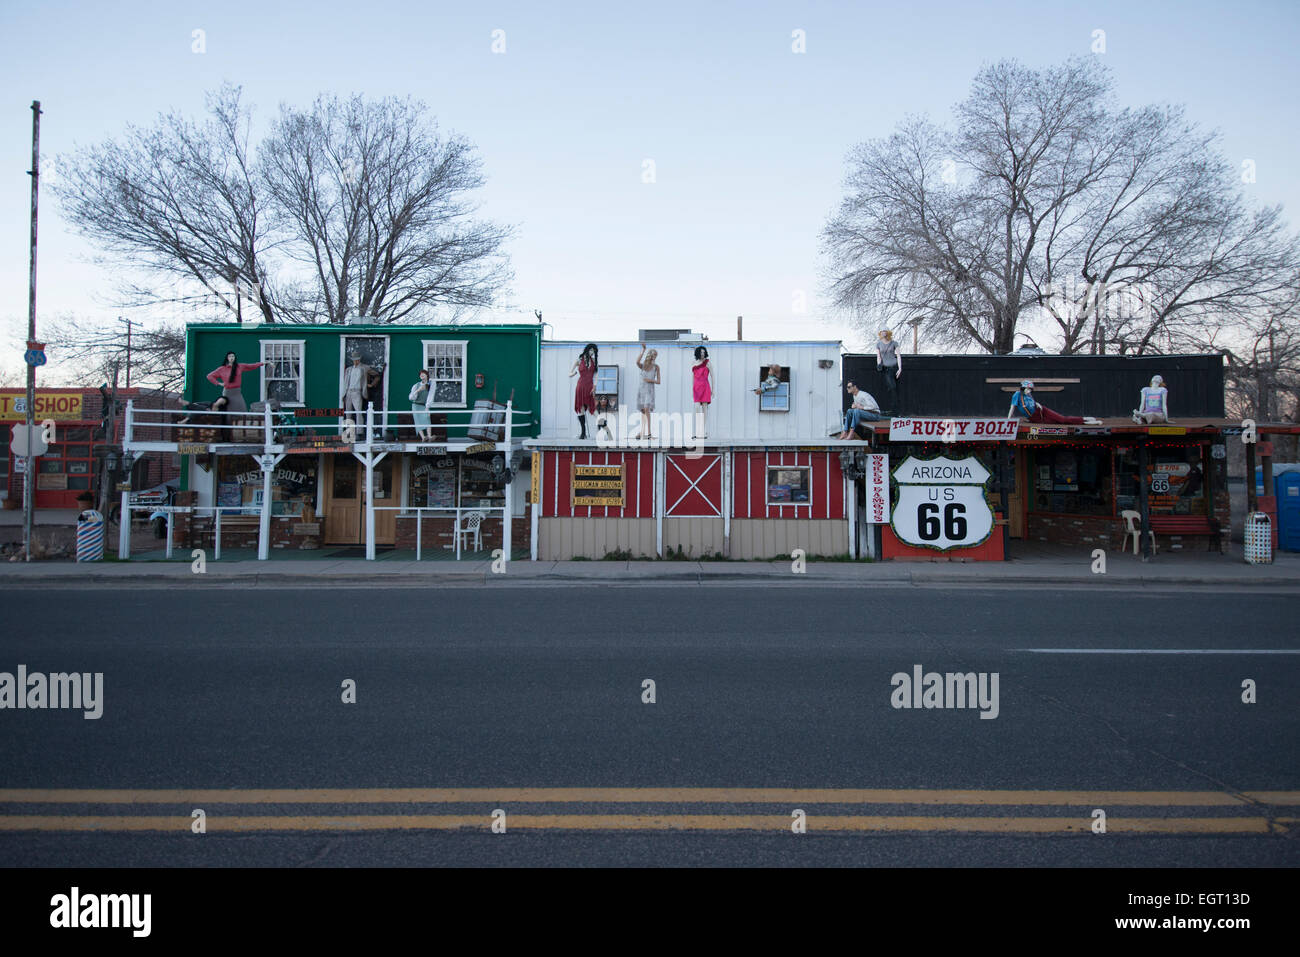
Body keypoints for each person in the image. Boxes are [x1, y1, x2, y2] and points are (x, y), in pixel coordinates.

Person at [1007, 380, 1101, 425]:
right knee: (1058, 422)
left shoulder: (1029, 395)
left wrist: (1037, 404)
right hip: (1034, 417)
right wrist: (1008, 420)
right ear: (1023, 388)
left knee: (1062, 419)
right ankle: (1086, 422)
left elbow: (1032, 403)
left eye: (1031, 389)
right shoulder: (1017, 395)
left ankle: (1084, 419)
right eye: (1028, 389)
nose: (1030, 391)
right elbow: (1012, 407)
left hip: (1041, 410)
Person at [569, 343, 599, 439]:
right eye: (591, 350)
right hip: (580, 386)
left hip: (589, 386)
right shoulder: (579, 360)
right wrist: (574, 373)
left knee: (592, 408)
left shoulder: (594, 361)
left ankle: (602, 426)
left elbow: (595, 376)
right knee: (581, 409)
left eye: (593, 351)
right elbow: (569, 373)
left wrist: (594, 387)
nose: (592, 352)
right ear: (587, 349)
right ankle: (583, 433)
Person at [635, 344, 660, 439]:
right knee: (643, 411)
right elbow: (637, 362)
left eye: (655, 356)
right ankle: (642, 432)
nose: (654, 357)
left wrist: (650, 380)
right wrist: (643, 350)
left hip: (649, 390)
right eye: (653, 355)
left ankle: (649, 434)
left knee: (646, 409)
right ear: (650, 355)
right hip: (642, 389)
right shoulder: (643, 366)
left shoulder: (656, 367)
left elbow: (658, 381)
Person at [692, 346, 713, 439]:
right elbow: (692, 377)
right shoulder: (694, 363)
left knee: (704, 409)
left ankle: (703, 432)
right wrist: (692, 388)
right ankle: (698, 431)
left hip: (705, 386)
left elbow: (713, 376)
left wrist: (713, 389)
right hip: (696, 387)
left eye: (704, 352)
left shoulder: (708, 363)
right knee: (697, 408)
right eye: (701, 352)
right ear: (697, 353)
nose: (702, 354)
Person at [876, 330, 901, 406]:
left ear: (888, 333)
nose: (883, 333)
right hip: (886, 368)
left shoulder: (894, 343)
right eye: (882, 332)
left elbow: (898, 356)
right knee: (891, 387)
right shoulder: (878, 344)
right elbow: (878, 356)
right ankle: (893, 406)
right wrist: (879, 365)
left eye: (885, 331)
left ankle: (895, 407)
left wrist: (900, 368)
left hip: (894, 366)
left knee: (894, 387)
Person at [409, 369, 433, 441]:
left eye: (423, 374)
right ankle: (423, 437)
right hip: (416, 405)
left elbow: (430, 395)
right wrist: (418, 390)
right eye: (420, 374)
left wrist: (427, 407)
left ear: (427, 375)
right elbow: (411, 397)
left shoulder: (430, 384)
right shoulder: (416, 385)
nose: (421, 375)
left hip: (424, 405)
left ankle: (429, 436)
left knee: (427, 419)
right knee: (418, 421)